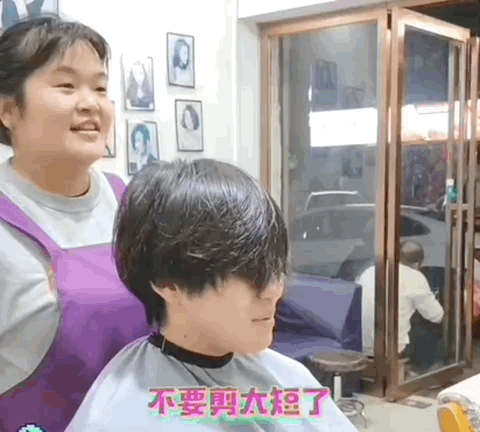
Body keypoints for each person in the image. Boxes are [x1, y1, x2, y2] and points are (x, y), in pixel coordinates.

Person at [66, 159, 358, 431]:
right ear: (169, 282)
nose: (273, 290)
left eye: (274, 269)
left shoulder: (288, 375)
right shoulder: (120, 415)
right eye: (249, 274)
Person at [0, 16, 149, 432]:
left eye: (100, 88)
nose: (91, 104)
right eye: (66, 86)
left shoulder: (135, 204)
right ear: (8, 109)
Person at [357, 241, 444, 364]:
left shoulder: (370, 271)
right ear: (417, 264)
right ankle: (423, 369)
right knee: (430, 329)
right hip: (393, 349)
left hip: (362, 345)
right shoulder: (415, 277)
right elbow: (437, 316)